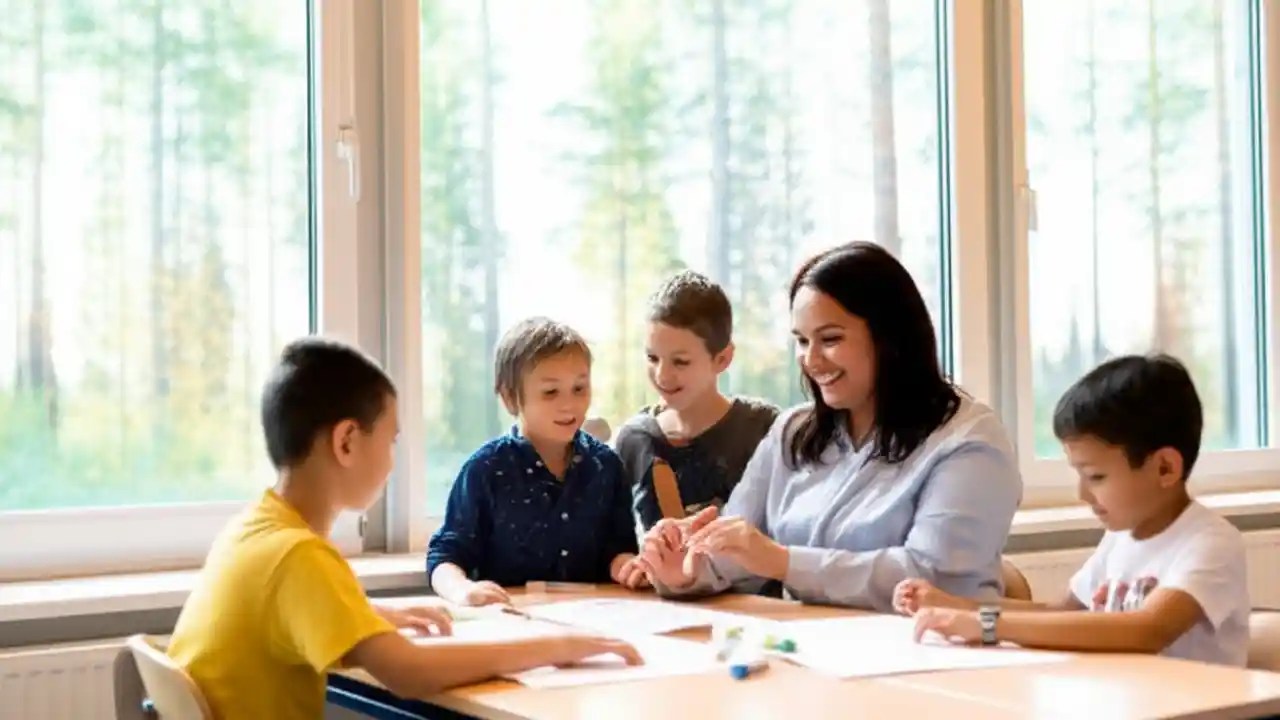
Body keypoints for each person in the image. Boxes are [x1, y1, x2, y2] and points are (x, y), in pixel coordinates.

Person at [167, 338, 640, 719]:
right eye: (391, 440)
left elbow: (297, 609)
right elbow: (409, 673)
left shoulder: (254, 531)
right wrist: (556, 646)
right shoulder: (299, 556)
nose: (394, 460)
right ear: (347, 441)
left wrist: (371, 613)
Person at [636, 242, 1021, 610]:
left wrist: (783, 562)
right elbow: (737, 555)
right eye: (802, 341)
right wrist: (684, 566)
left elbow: (933, 580)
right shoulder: (791, 432)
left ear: (890, 337)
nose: (811, 360)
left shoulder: (970, 441)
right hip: (817, 656)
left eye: (830, 339)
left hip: (940, 656)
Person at [899, 354, 1249, 666]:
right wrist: (956, 605)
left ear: (1165, 469)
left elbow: (1146, 629)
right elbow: (1059, 613)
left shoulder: (1211, 543)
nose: (1082, 493)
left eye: (1096, 476)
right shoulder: (1119, 537)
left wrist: (988, 626)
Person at [428, 318, 645, 607]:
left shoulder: (606, 466)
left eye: (579, 388)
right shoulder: (485, 470)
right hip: (513, 621)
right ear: (509, 398)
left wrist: (628, 567)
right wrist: (461, 589)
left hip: (594, 619)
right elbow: (447, 555)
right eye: (550, 392)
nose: (569, 404)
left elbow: (618, 548)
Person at [615, 270, 778, 530]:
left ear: (722, 359)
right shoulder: (633, 439)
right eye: (652, 358)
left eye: (680, 361)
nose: (662, 375)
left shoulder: (764, 430)